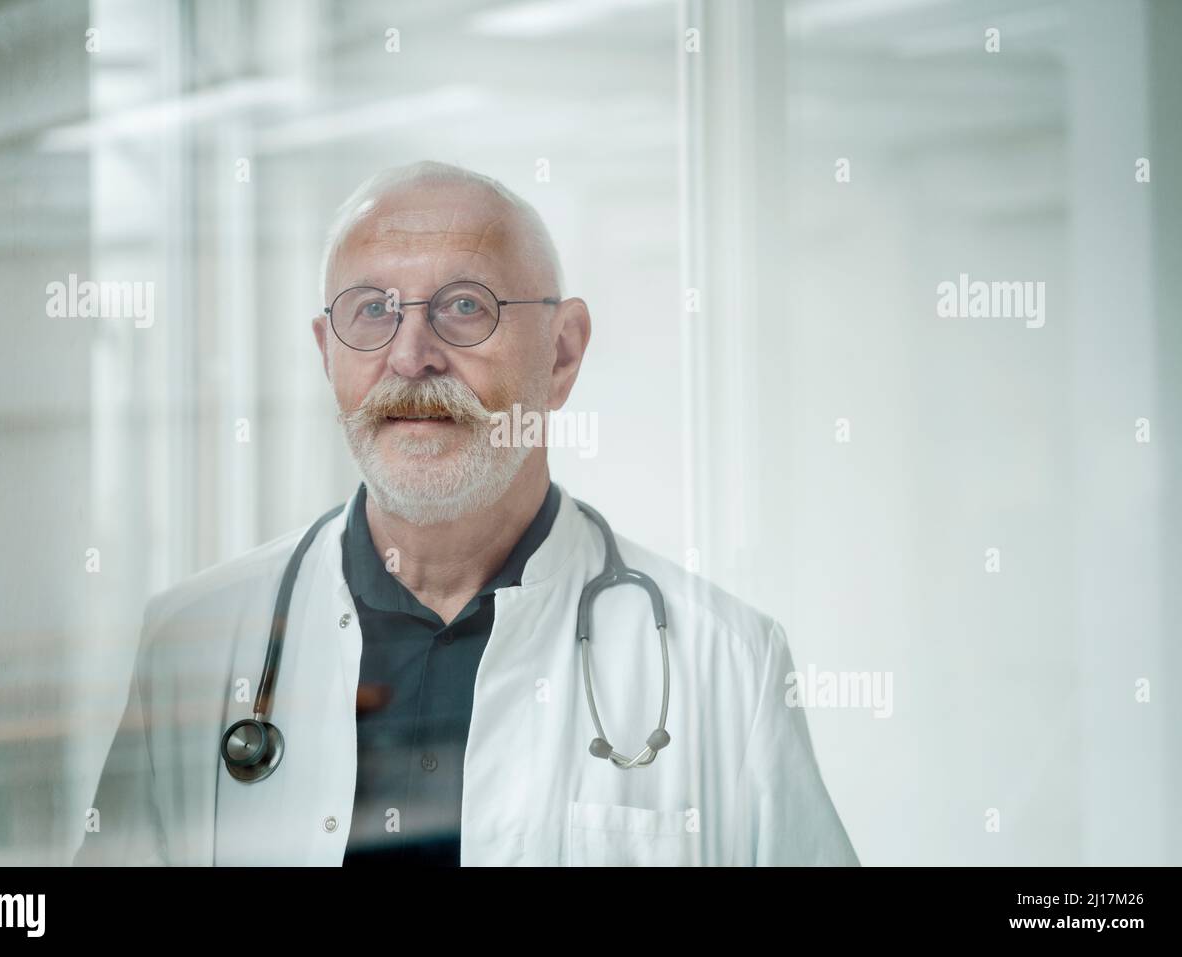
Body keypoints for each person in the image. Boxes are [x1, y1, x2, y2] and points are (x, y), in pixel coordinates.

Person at [74, 160, 858, 866]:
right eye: (372, 311)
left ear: (561, 352)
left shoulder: (727, 666)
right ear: (326, 353)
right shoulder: (194, 645)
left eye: (463, 305)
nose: (411, 355)